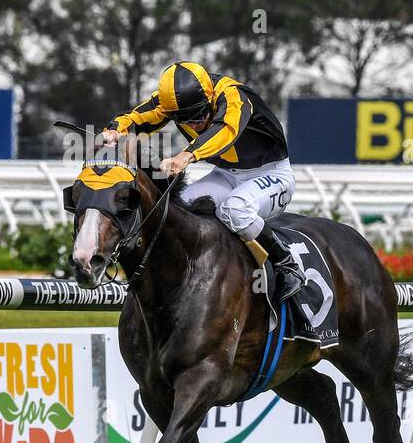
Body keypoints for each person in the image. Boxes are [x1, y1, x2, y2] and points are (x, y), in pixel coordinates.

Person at [102, 61, 304, 302]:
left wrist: (187, 154)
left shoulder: (233, 95)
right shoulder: (171, 103)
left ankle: (286, 263)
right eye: (186, 121)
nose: (195, 124)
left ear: (210, 98)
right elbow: (137, 117)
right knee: (175, 211)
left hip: (272, 175)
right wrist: (115, 129)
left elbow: (225, 130)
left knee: (235, 209)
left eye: (199, 116)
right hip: (227, 174)